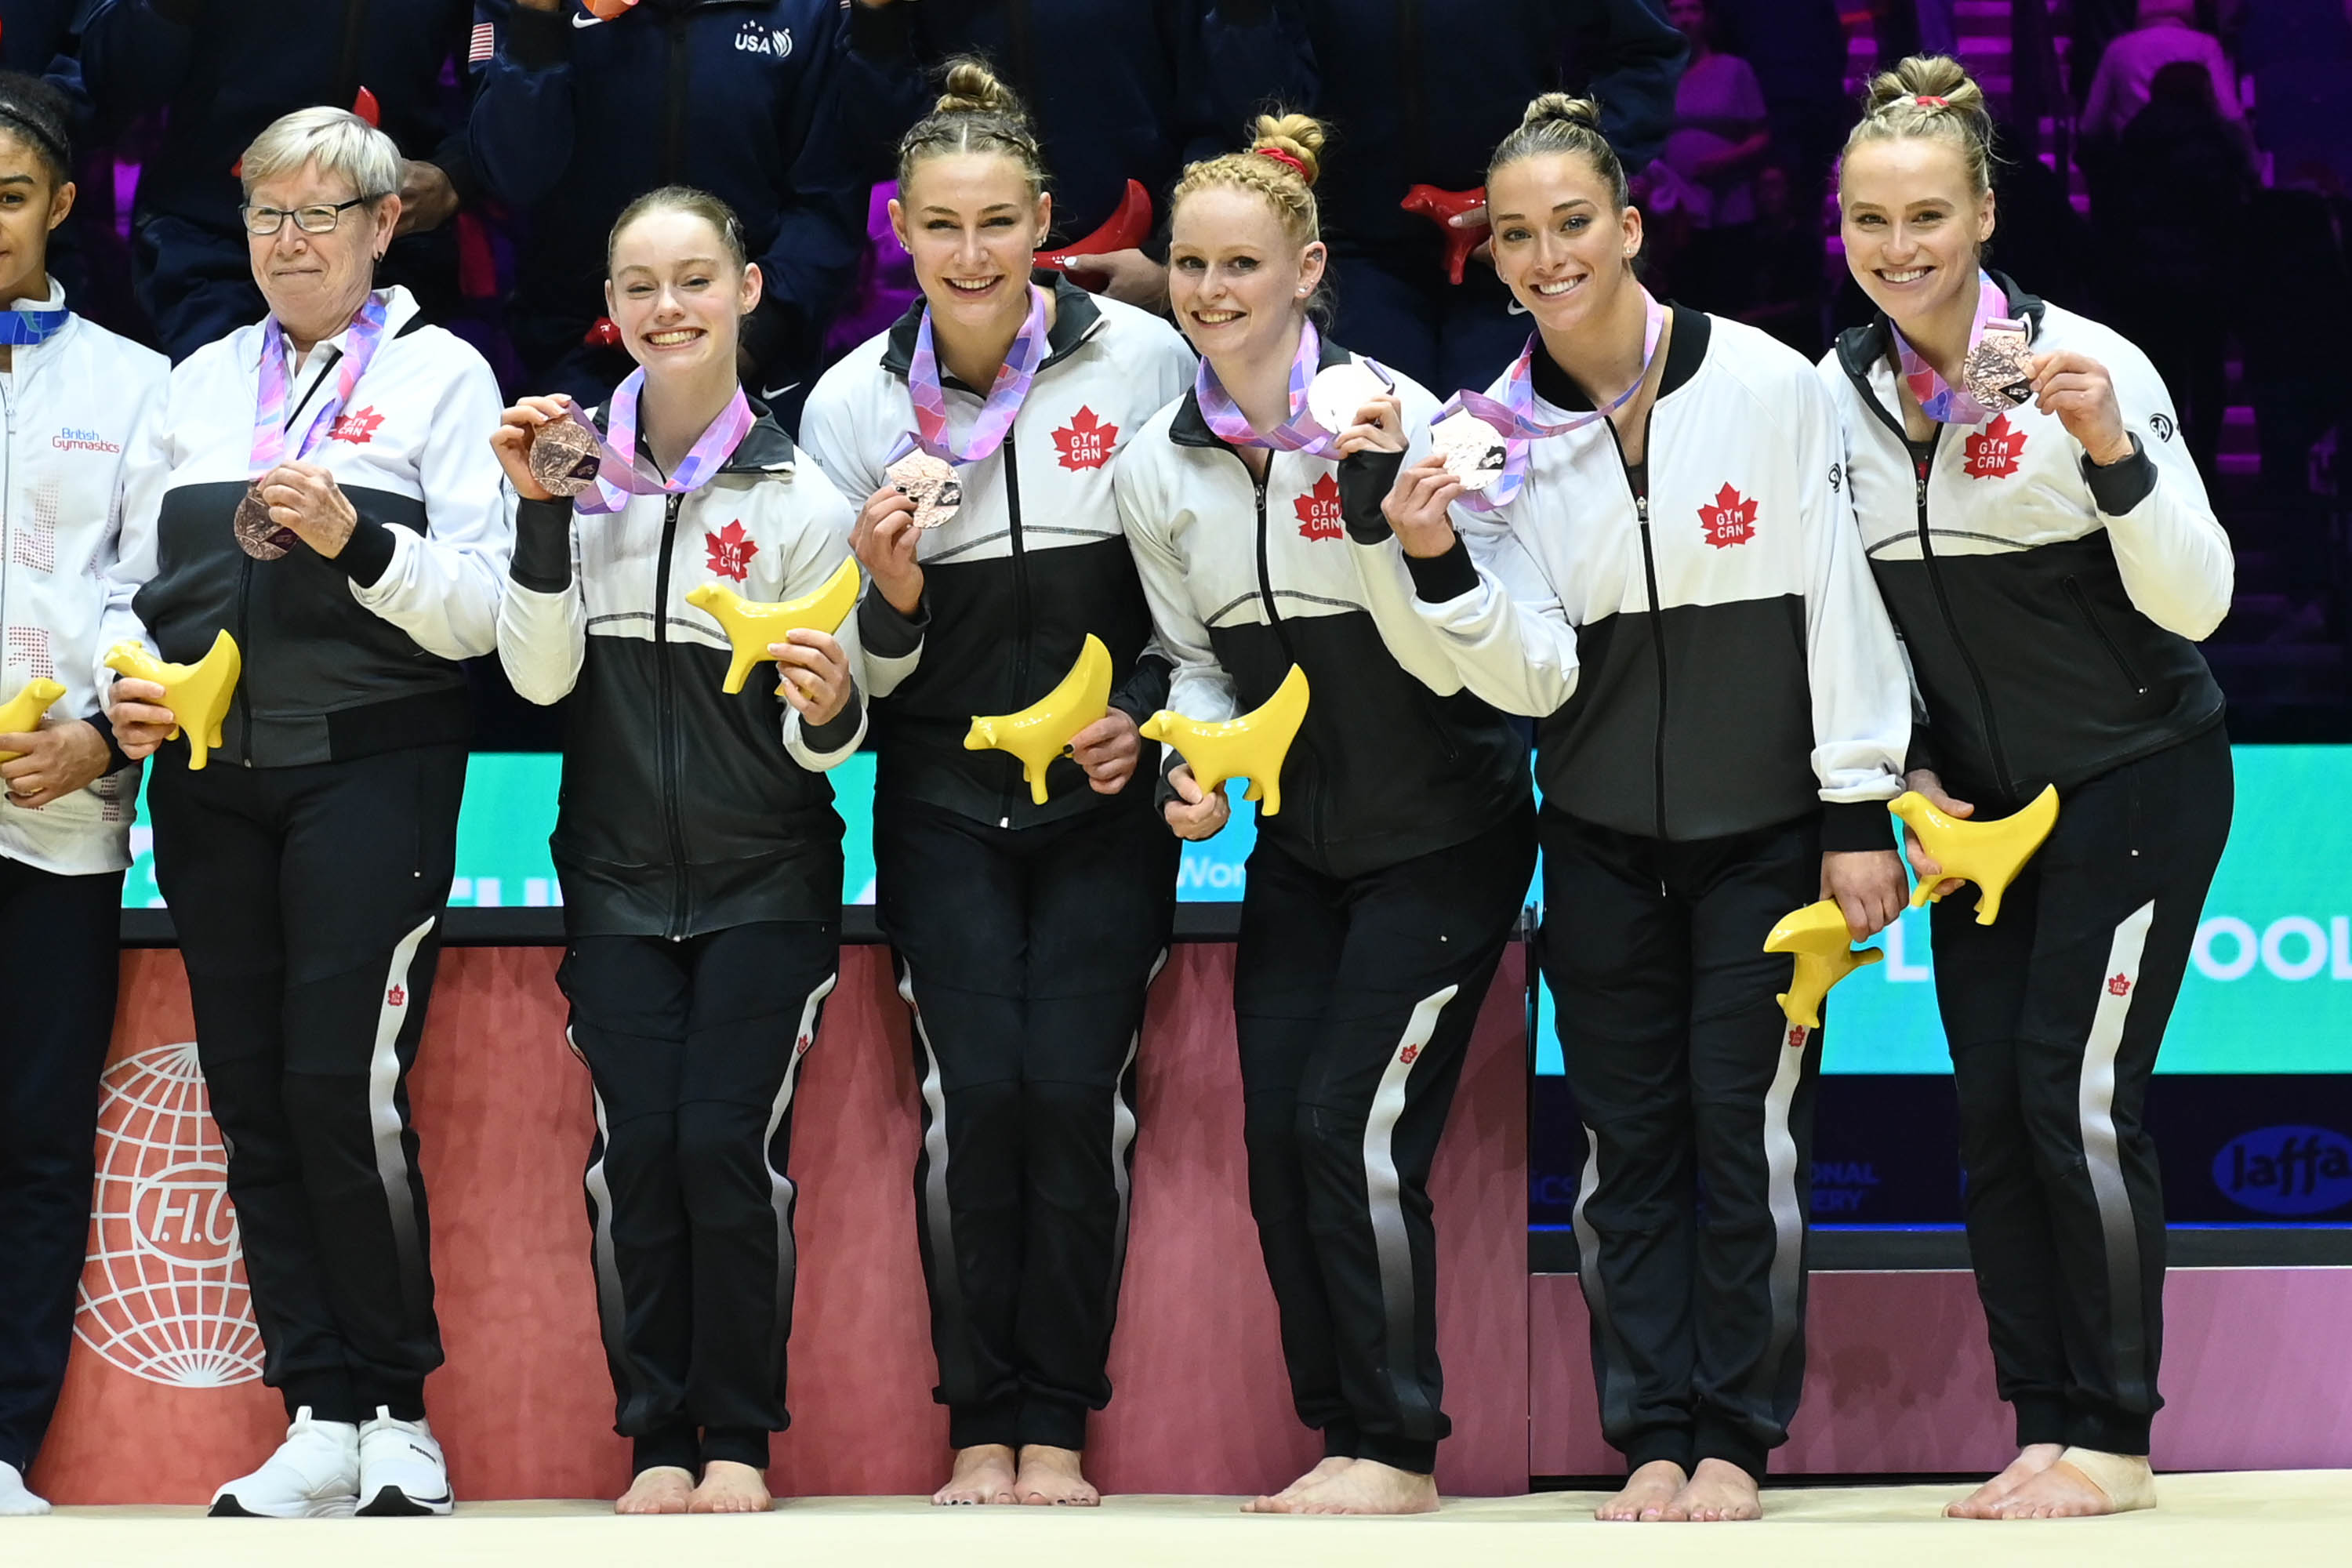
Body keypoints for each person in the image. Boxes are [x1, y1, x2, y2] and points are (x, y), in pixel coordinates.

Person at [1363, 93, 1911, 1523]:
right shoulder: (1491, 440)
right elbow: (1538, 673)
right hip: (1598, 837)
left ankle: (1734, 1433)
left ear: (1630, 227)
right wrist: (1432, 562)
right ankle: (1648, 1433)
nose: (1550, 256)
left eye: (1575, 225)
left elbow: (1839, 600)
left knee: (1745, 1128)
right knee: (1627, 1139)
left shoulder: (1775, 387)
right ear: (1492, 256)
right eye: (1522, 236)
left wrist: (1857, 803)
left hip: (1772, 839)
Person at [1824, 56, 2234, 1522]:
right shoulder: (1845, 393)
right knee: (1994, 1110)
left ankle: (2114, 1438)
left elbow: (2198, 602)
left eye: (1928, 213)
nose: (1900, 247)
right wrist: (1903, 775)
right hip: (1980, 820)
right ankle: (2044, 1421)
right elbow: (1853, 620)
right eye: (1871, 220)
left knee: (2079, 1093)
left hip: (2137, 778)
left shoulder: (2093, 362)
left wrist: (2112, 451)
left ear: (1986, 212)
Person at [1113, 112, 1535, 1516]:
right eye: (1189, 263)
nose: (1212, 289)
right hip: (1300, 851)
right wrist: (1195, 762)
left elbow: (1486, 634)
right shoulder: (1153, 463)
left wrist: (1371, 509)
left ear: (1308, 271)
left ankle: (1398, 1447)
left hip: (1444, 837)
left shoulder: (1397, 417)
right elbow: (1190, 658)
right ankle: (1343, 1428)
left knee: (1351, 1129)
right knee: (1280, 1141)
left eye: (1243, 263)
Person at [103, 105, 511, 1519]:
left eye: (319, 216)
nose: (288, 243)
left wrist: (363, 543)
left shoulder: (447, 378)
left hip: (374, 767)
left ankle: (401, 1409)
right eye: (266, 216)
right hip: (212, 780)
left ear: (383, 226)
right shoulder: (200, 380)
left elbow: (488, 618)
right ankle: (315, 1410)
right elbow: (124, 587)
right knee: (254, 1098)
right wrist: (127, 687)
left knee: (348, 1092)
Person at [797, 60, 1190, 1508]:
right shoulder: (851, 401)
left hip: (1102, 802)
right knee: (977, 1099)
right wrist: (891, 600)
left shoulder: (1145, 367)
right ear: (900, 226)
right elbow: (852, 669)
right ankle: (979, 1423)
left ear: (1046, 225)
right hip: (942, 799)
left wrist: (1143, 718)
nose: (970, 254)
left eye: (998, 223)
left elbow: (1186, 595)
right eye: (942, 226)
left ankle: (1058, 1428)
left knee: (1073, 1095)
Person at [493, 186, 861, 1517]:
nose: (670, 309)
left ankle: (741, 1441)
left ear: (747, 291)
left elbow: (833, 739)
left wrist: (829, 705)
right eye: (640, 286)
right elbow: (537, 685)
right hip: (612, 879)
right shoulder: (575, 474)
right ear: (610, 309)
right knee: (636, 1152)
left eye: (695, 280)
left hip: (769, 878)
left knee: (721, 1148)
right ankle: (656, 1432)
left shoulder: (805, 492)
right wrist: (538, 516)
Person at [0, 70, 168, 1521]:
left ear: (60, 203)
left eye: (6, 196)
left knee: (36, 1134)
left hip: (56, 805)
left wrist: (105, 745)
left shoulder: (134, 383)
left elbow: (146, 594)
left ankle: (0, 1448)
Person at [465, 0, 869, 421]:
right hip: (573, 351)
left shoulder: (804, 10)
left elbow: (827, 198)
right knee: (562, 485)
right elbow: (514, 175)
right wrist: (537, 18)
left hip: (755, 354)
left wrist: (758, 334)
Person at [1275, 1, 1687, 397]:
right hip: (1358, 247)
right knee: (1370, 445)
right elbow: (1265, 74)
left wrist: (1554, 186)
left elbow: (1646, 54)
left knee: (1528, 450)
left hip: (1527, 243)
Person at [829, 0, 1309, 312]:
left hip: (1145, 279)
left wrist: (1168, 260)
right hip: (968, 278)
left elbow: (1230, 113)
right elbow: (886, 146)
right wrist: (876, 19)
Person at [75, 0, 478, 361]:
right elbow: (108, 82)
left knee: (383, 436)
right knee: (220, 431)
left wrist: (455, 174)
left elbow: (509, 75)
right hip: (213, 241)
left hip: (391, 240)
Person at [1654, 0, 1770, 314]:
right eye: (1677, 10)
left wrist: (1724, 161)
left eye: (1693, 9)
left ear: (1707, 16)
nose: (1685, 18)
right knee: (1687, 300)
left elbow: (1762, 137)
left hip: (1730, 205)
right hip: (1677, 215)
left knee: (1730, 299)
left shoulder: (1734, 70)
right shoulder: (1661, 76)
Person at [2079, 0, 2248, 146]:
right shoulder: (2205, 47)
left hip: (2134, 166)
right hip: (2192, 166)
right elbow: (2230, 115)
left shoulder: (2117, 50)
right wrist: (2254, 164)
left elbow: (2090, 126)